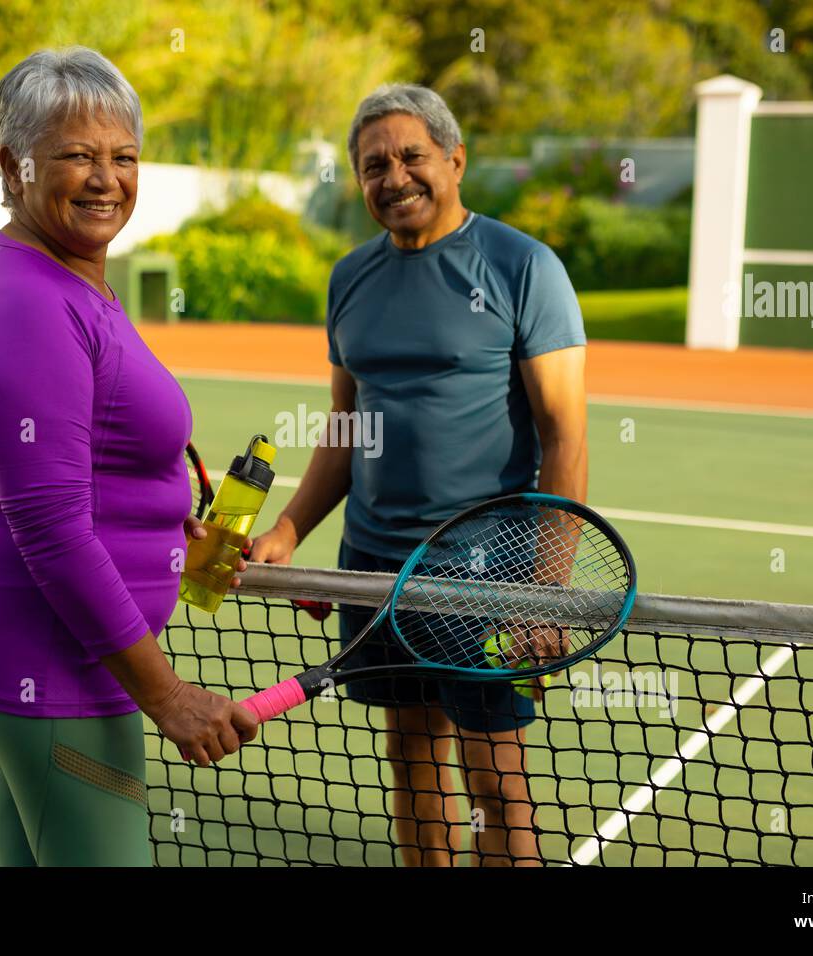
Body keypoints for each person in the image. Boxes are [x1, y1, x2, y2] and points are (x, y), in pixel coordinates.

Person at [0, 46, 257, 867]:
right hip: (55, 668)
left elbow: (98, 457)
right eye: (78, 155)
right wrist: (171, 696)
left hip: (57, 665)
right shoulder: (32, 308)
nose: (106, 177)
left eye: (123, 156)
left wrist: (175, 533)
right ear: (16, 163)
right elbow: (52, 532)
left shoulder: (70, 281)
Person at [249, 84, 588, 866]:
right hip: (372, 572)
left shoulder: (523, 267)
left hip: (486, 578)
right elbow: (346, 423)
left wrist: (546, 587)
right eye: (374, 165)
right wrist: (290, 529)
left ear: (455, 160)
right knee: (411, 763)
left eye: (411, 157)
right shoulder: (350, 278)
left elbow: (564, 436)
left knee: (497, 784)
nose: (393, 177)